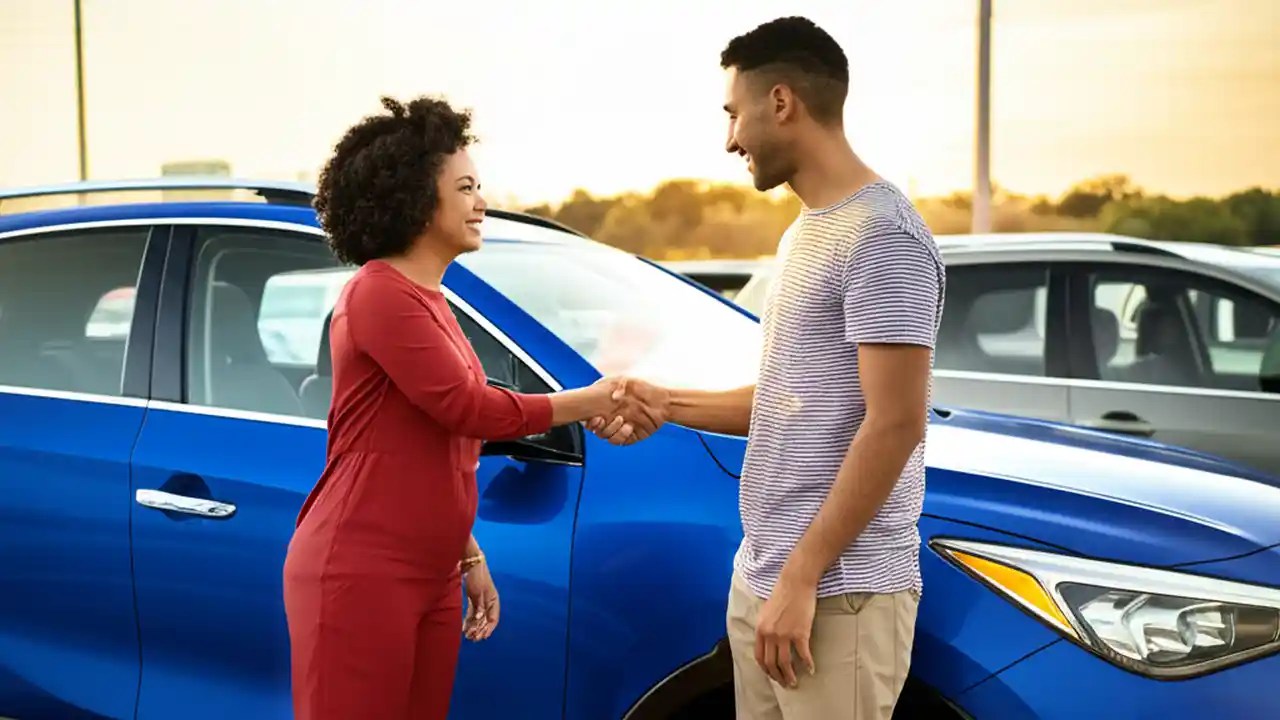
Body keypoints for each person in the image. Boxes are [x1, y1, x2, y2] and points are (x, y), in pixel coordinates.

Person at [590, 16, 946, 720]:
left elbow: (896, 424)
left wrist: (803, 576)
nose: (730, 140)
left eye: (734, 114)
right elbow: (790, 401)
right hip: (767, 581)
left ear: (781, 102)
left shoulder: (886, 237)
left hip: (839, 595)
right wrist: (667, 404)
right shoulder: (808, 232)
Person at [282, 95, 648, 720]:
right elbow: (467, 409)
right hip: (361, 572)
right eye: (468, 188)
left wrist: (466, 552)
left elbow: (428, 449)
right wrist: (589, 398)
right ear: (417, 199)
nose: (482, 203)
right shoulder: (378, 293)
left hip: (429, 573)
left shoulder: (431, 301)